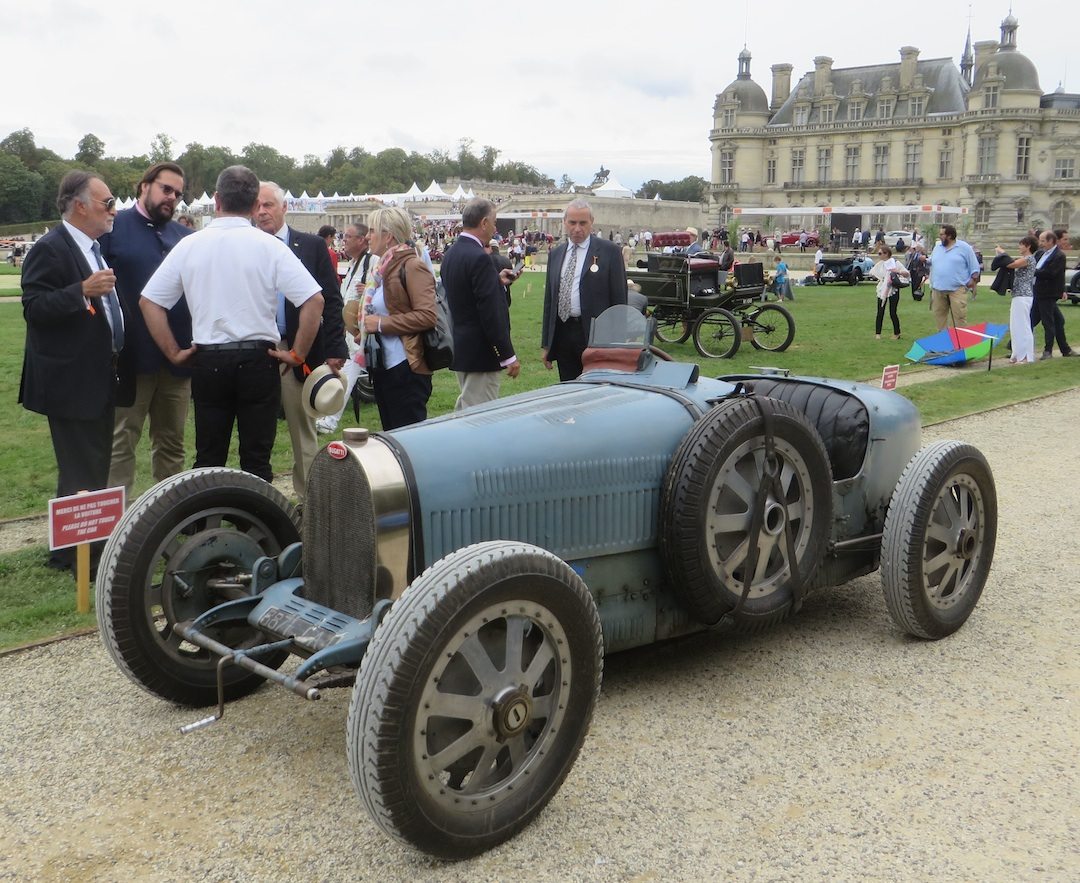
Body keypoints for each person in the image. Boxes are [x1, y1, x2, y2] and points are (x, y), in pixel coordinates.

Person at [140, 165, 324, 484]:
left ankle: (207, 527)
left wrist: (173, 352)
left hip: (210, 357)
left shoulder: (190, 244)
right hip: (258, 358)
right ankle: (258, 529)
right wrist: (297, 354)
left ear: (216, 200)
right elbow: (314, 300)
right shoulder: (269, 246)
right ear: (255, 206)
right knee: (257, 457)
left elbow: (150, 302)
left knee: (209, 457)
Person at [19, 171, 126, 575]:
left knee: (92, 465)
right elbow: (34, 308)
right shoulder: (51, 248)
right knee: (82, 467)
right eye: (107, 202)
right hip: (70, 381)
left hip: (98, 374)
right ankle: (76, 555)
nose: (113, 210)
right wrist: (80, 290)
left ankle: (80, 549)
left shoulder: (93, 247)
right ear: (80, 205)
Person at [99, 162, 193, 501]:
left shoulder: (184, 238)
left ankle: (166, 520)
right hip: (129, 359)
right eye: (166, 189)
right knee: (121, 443)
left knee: (171, 444)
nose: (172, 198)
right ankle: (115, 532)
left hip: (178, 360)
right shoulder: (113, 229)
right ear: (144, 186)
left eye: (178, 194)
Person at [254, 183, 346, 501]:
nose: (262, 211)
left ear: (284, 208)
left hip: (297, 347)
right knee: (255, 432)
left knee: (302, 429)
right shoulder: (246, 246)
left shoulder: (310, 246)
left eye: (268, 204)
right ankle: (258, 498)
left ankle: (312, 502)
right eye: (256, 206)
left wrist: (335, 348)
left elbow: (331, 300)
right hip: (256, 348)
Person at [359, 206, 438, 429]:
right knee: (392, 437)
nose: (367, 236)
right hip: (385, 367)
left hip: (406, 368)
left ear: (388, 236)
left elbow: (427, 316)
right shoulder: (383, 269)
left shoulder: (412, 265)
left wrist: (381, 324)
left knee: (409, 441)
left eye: (372, 230)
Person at [440, 198, 519, 410]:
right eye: (493, 222)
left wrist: (496, 282)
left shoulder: (451, 255)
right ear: (483, 223)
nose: (495, 227)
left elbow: (466, 294)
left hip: (461, 345)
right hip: (481, 351)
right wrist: (507, 355)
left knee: (468, 407)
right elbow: (490, 312)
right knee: (478, 416)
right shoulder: (479, 258)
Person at [541, 199, 628, 381]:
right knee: (568, 387)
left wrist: (618, 346)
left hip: (594, 336)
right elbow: (550, 301)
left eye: (583, 223)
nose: (577, 228)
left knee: (594, 390)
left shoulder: (609, 252)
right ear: (565, 222)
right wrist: (547, 344)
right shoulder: (556, 254)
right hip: (563, 332)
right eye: (572, 223)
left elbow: (619, 299)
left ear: (592, 222)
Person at [318, 223, 377, 435]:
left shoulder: (373, 262)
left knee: (346, 375)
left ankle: (329, 420)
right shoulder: (353, 264)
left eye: (349, 237)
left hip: (363, 331)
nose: (345, 240)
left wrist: (370, 287)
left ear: (361, 240)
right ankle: (328, 418)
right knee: (345, 374)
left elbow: (381, 289)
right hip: (352, 331)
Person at [1032, 230, 1076, 359]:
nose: (1040, 243)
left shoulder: (1059, 256)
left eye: (1043, 241)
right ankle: (1065, 350)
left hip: (1047, 293)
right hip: (1038, 292)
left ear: (1051, 241)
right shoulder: (1040, 254)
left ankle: (1048, 351)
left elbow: (1052, 273)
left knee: (1049, 322)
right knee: (1053, 320)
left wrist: (1033, 271)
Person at [929, 225, 981, 330]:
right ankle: (944, 342)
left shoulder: (964, 248)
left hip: (957, 289)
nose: (939, 236)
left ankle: (960, 343)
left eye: (942, 234)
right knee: (940, 318)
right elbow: (932, 261)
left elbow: (975, 267)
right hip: (938, 289)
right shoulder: (937, 248)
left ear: (950, 236)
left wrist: (972, 280)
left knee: (959, 318)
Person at [1004, 236, 1038, 364]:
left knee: (1023, 325)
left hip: (1024, 295)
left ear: (1028, 246)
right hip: (1018, 294)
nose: (1019, 247)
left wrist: (1002, 254)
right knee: (1015, 325)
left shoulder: (1029, 259)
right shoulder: (1024, 259)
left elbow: (1011, 264)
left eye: (1021, 245)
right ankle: (1017, 353)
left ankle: (1026, 355)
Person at [873, 245, 908, 340]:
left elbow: (906, 273)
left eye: (880, 253)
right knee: (880, 311)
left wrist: (897, 272)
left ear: (886, 254)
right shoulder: (880, 264)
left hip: (893, 289)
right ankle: (878, 333)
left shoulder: (895, 263)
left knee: (893, 312)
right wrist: (882, 279)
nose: (879, 255)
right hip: (882, 289)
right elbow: (874, 273)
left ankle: (897, 333)